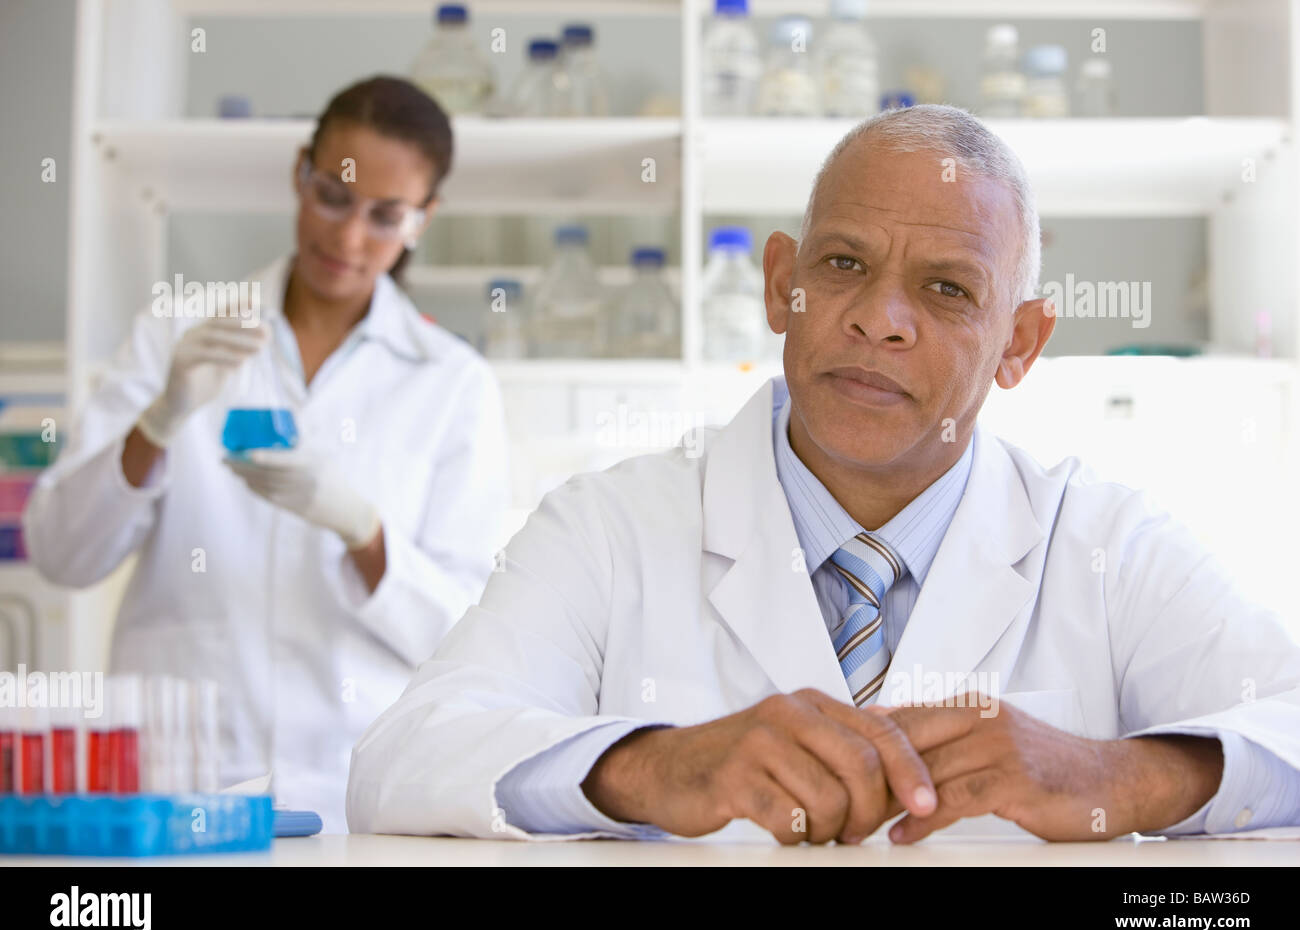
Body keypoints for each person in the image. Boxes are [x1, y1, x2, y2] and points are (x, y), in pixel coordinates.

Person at [346, 105, 1300, 845]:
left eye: (947, 288)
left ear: (1020, 342)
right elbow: (399, 759)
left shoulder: (1106, 545)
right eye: (843, 263)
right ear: (780, 286)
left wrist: (1121, 776)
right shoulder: (611, 527)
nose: (880, 318)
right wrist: (652, 768)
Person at [23, 76, 509, 832]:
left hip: (361, 796)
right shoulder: (173, 338)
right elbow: (59, 552)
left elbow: (468, 637)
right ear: (300, 173)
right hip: (184, 786)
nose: (349, 239)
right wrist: (158, 422)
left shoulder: (453, 384)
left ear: (424, 219)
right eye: (333, 196)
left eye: (385, 216)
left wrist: (363, 531)